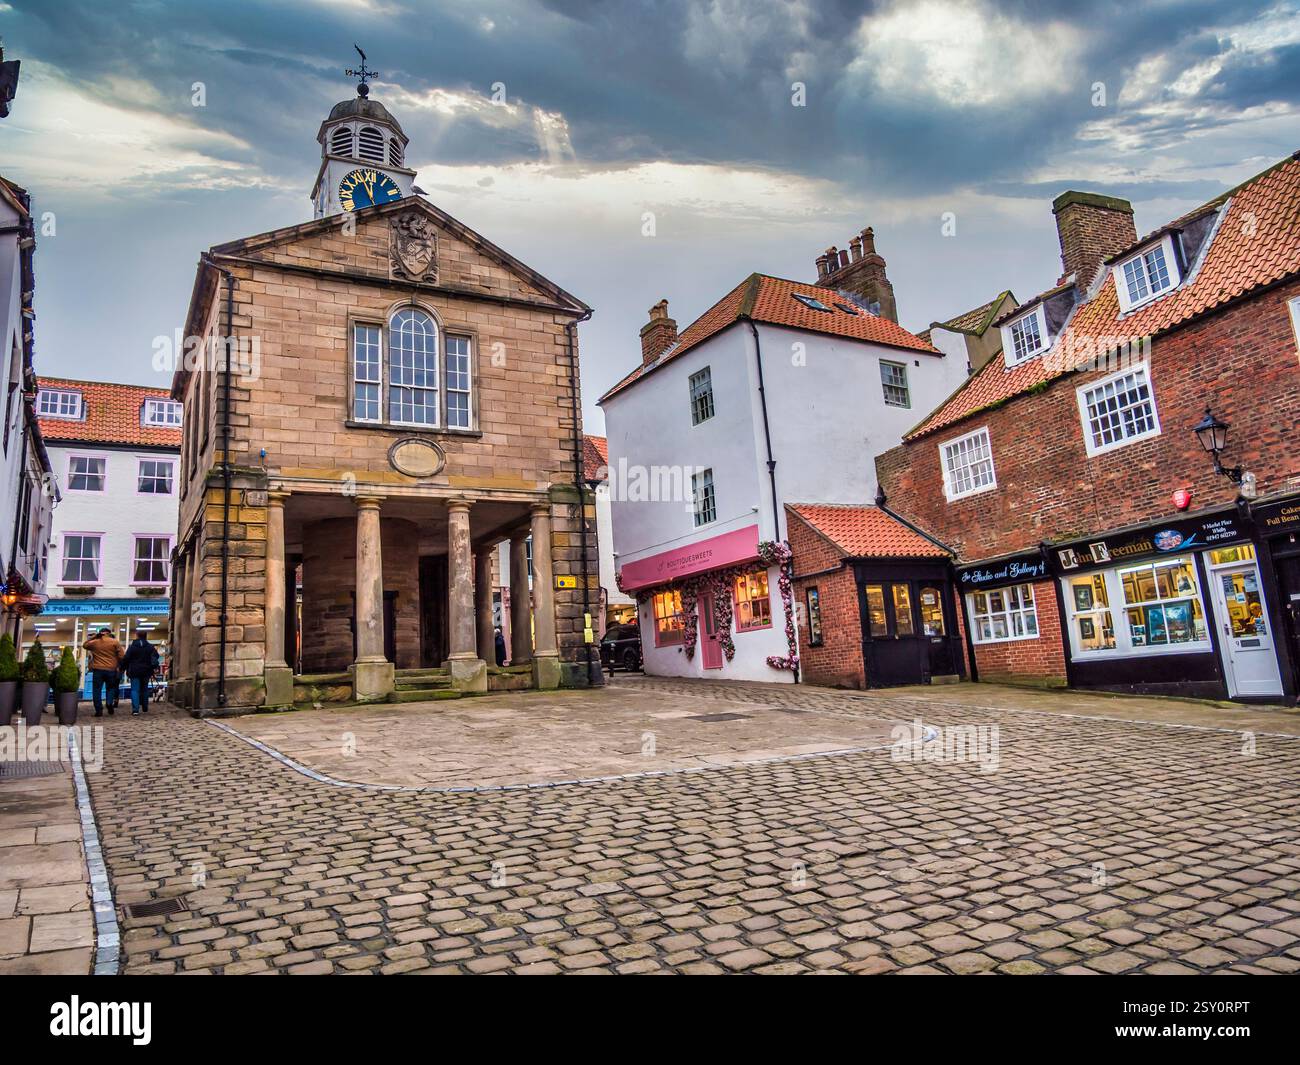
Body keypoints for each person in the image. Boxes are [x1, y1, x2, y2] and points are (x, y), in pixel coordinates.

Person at [83, 627, 124, 718]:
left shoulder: (95, 643)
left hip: (98, 670)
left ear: (100, 633)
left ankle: (98, 710)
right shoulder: (115, 642)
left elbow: (85, 645)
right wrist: (119, 666)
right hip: (111, 670)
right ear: (109, 633)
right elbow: (122, 656)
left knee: (96, 690)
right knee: (111, 688)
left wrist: (94, 637)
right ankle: (109, 703)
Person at [121, 628, 160, 715]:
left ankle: (135, 709)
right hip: (146, 671)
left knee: (135, 689)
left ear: (137, 636)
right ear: (146, 636)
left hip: (134, 671)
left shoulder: (132, 647)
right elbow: (156, 656)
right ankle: (145, 707)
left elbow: (126, 658)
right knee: (145, 689)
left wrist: (122, 668)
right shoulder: (150, 647)